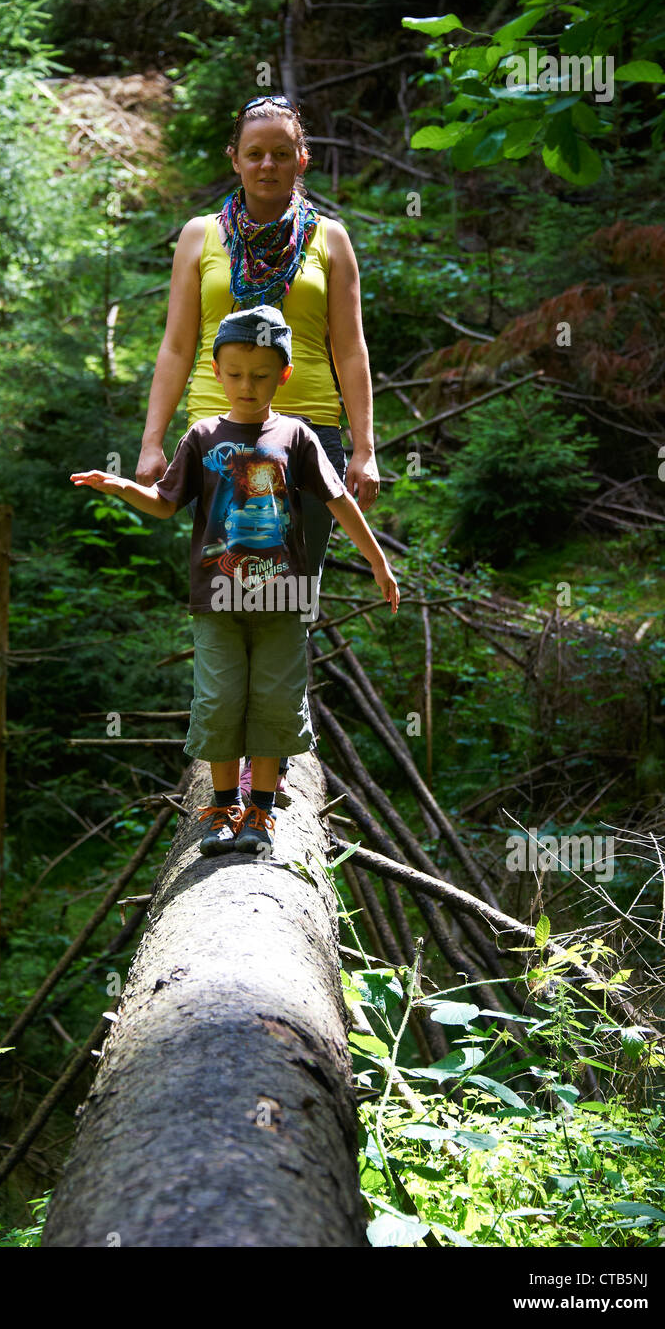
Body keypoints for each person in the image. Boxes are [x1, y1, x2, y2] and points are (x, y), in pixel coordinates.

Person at [71, 306, 399, 857]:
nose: (248, 386)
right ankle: (223, 809)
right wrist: (122, 487)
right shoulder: (201, 436)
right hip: (216, 600)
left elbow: (339, 500)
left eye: (262, 375)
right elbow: (165, 503)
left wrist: (378, 561)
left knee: (275, 703)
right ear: (216, 372)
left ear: (284, 375)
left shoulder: (296, 435)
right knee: (219, 703)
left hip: (285, 599)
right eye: (237, 374)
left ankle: (260, 813)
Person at [135, 94, 381, 804]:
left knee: (289, 593)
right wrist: (152, 442)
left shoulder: (330, 239)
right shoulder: (199, 237)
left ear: (302, 159)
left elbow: (350, 348)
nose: (267, 163)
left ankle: (267, 755)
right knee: (228, 586)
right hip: (219, 440)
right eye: (254, 152)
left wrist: (364, 448)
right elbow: (177, 344)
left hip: (308, 436)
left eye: (281, 152)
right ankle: (229, 750)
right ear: (235, 161)